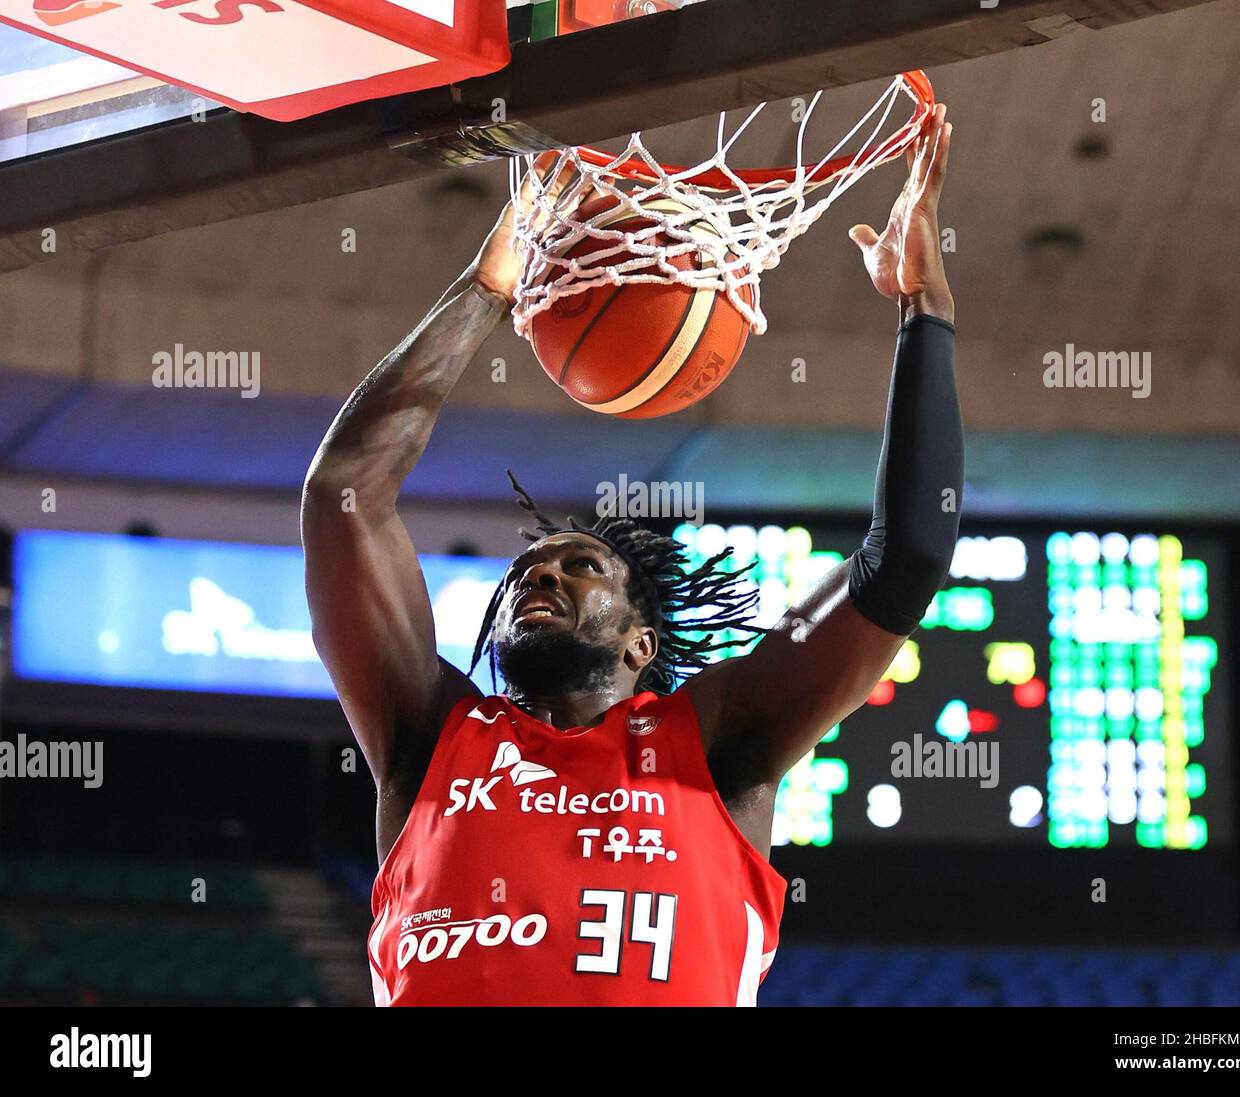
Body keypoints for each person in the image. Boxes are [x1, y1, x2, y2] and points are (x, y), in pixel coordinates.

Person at [301, 105, 961, 1006]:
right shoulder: (430, 739)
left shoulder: (717, 742)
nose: (541, 572)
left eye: (581, 568)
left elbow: (907, 558)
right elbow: (345, 493)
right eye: (530, 568)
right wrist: (489, 289)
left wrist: (925, 311)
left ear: (640, 644)